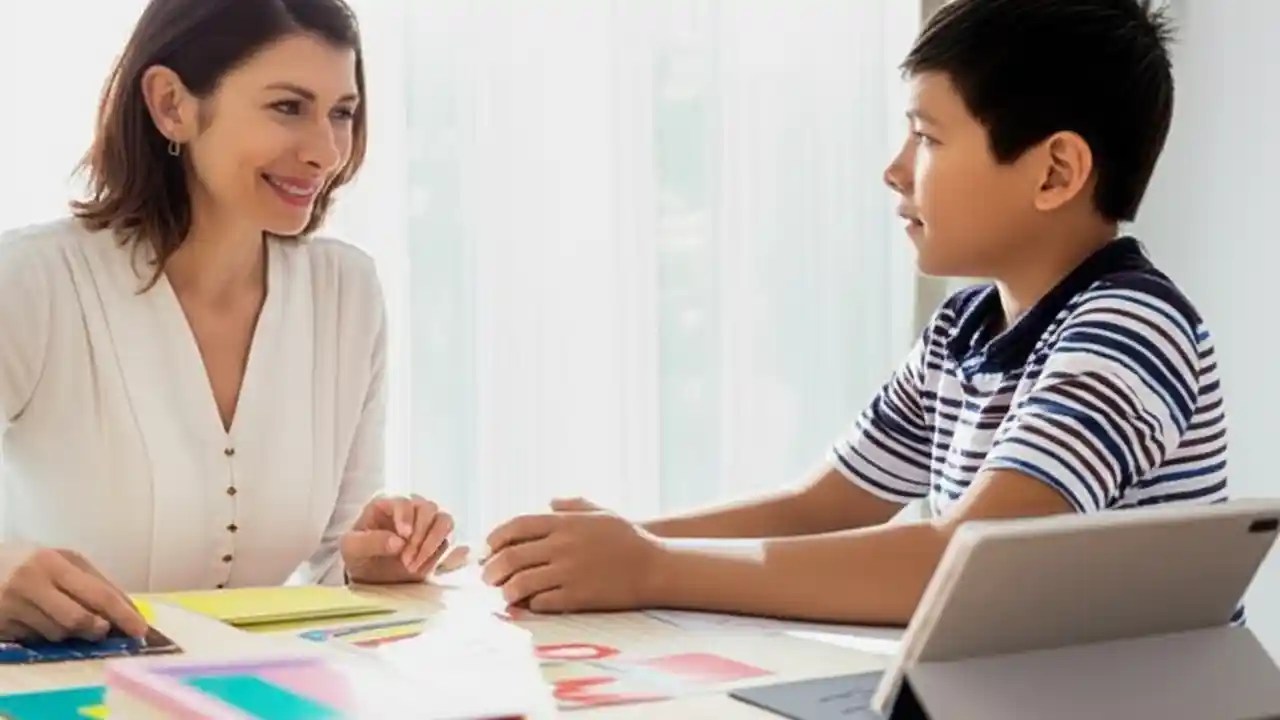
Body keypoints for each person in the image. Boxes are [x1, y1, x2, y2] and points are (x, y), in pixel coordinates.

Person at [483, 0, 1233, 624]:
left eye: (928, 137)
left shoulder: (1133, 327)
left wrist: (650, 567)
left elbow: (963, 564)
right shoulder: (962, 328)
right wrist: (621, 539)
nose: (895, 169)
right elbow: (824, 505)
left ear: (1056, 171)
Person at [0, 0, 461, 643]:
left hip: (255, 695)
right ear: (171, 105)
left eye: (342, 113)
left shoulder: (345, 292)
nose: (326, 152)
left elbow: (332, 568)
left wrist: (372, 564)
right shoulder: (32, 281)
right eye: (288, 107)